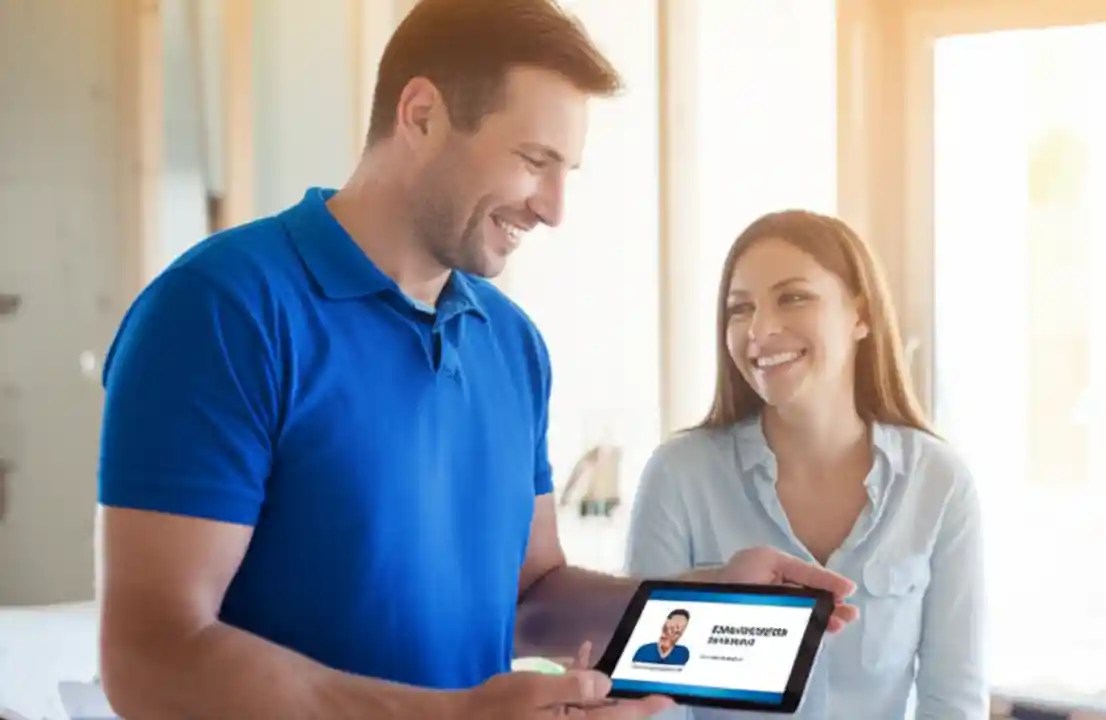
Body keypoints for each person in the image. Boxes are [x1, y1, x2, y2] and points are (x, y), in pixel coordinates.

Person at [95, 3, 859, 719]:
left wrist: (703, 600)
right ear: (421, 114)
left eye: (567, 172)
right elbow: (151, 656)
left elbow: (530, 595)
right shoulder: (220, 310)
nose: (553, 207)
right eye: (533, 161)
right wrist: (449, 717)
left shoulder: (510, 342)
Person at [626, 211, 987, 719]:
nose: (760, 329)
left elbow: (953, 702)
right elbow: (652, 703)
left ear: (860, 315)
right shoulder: (679, 477)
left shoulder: (939, 483)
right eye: (739, 308)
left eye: (792, 297)